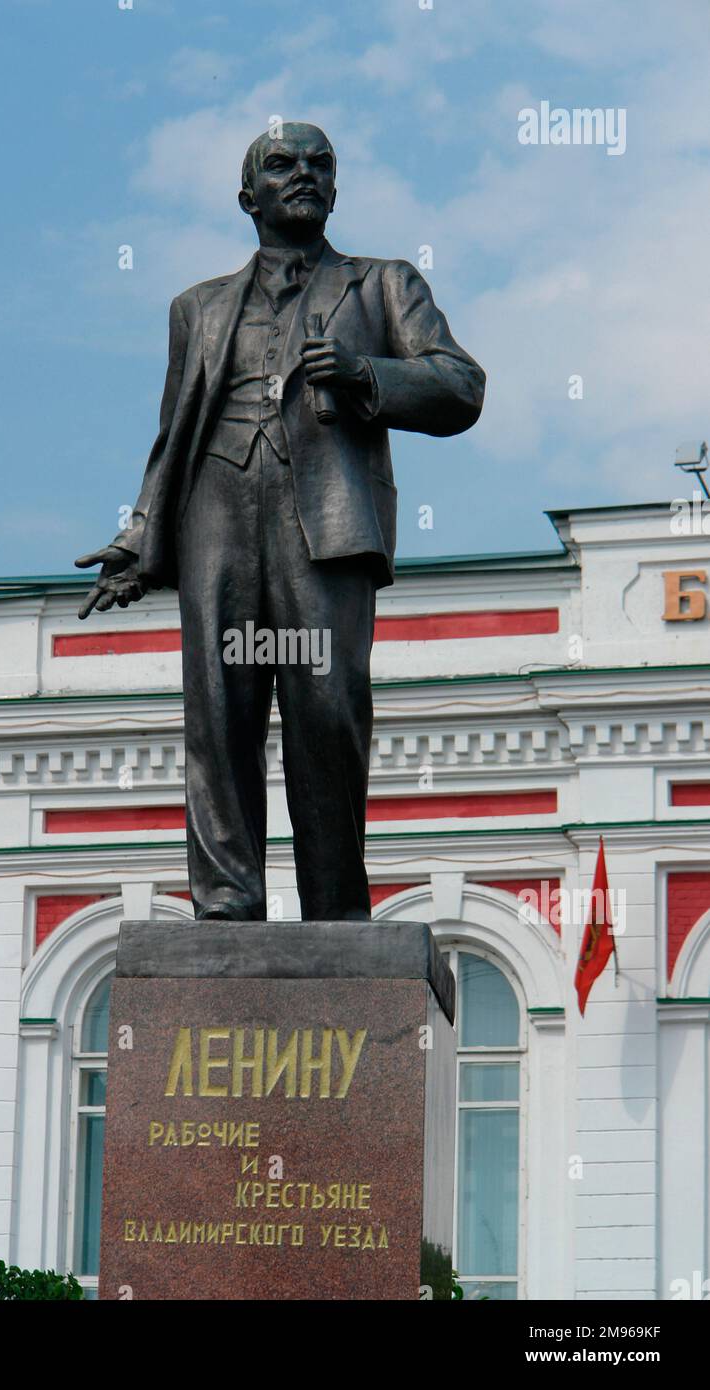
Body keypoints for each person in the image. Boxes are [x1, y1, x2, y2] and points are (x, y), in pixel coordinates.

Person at [76, 123, 485, 922]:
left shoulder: (381, 285)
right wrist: (140, 536)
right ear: (247, 196)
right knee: (219, 715)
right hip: (216, 520)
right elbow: (177, 434)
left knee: (326, 713)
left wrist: (370, 374)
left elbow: (460, 387)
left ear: (336, 189)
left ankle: (334, 915)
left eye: (320, 163)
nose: (305, 173)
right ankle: (225, 911)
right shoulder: (197, 308)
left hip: (324, 527)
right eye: (282, 164)